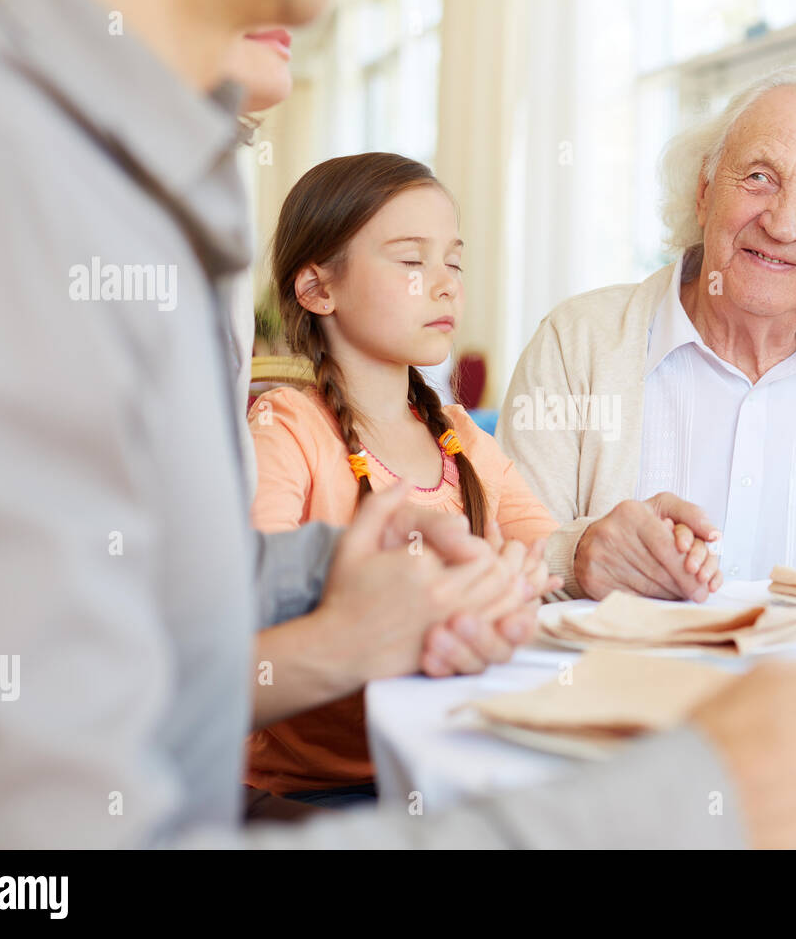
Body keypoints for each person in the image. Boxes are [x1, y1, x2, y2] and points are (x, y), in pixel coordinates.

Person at [0, 0, 796, 849]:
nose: (784, 222)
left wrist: (323, 573)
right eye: (761, 179)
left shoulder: (120, 177)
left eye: (455, 260)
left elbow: (134, 572)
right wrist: (690, 806)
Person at [499, 65, 796, 600]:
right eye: (760, 177)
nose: (782, 225)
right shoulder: (574, 347)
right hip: (620, 681)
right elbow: (497, 570)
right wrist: (577, 559)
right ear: (704, 191)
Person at [244, 153, 572, 804]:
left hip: (455, 761)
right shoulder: (286, 426)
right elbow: (244, 610)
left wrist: (524, 575)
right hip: (312, 795)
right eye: (411, 260)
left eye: (453, 260)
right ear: (317, 289)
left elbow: (544, 556)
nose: (447, 284)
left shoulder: (461, 434)